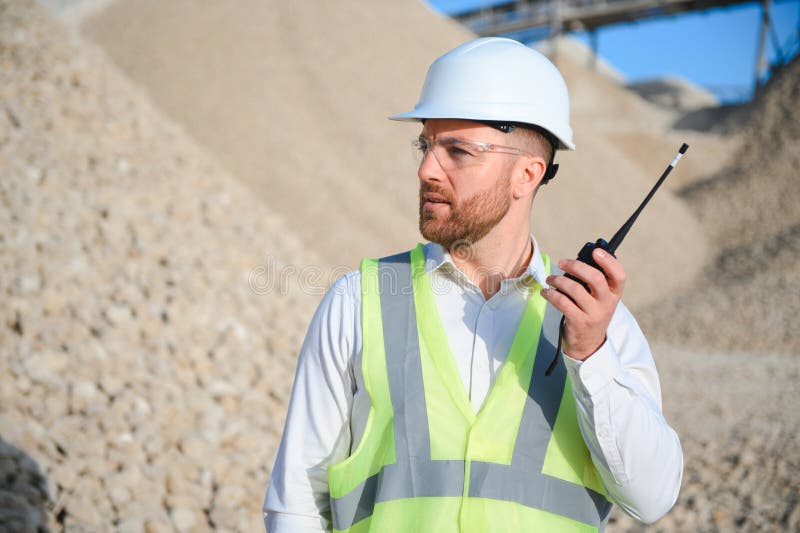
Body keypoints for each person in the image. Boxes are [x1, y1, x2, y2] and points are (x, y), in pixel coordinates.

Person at [263, 37, 683, 532]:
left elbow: (652, 499)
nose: (425, 169)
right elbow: (296, 503)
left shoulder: (599, 324)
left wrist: (590, 356)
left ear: (527, 175)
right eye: (426, 145)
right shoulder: (357, 302)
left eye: (457, 151)